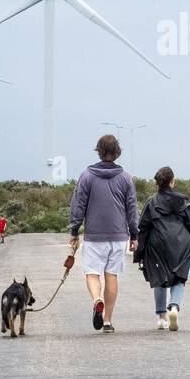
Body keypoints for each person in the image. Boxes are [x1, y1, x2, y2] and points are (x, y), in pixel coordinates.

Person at [68, 134, 138, 334]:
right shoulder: (126, 178)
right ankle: (107, 320)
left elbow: (78, 204)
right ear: (117, 152)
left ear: (99, 150)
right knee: (111, 276)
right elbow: (132, 209)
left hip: (94, 235)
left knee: (92, 274)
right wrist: (134, 235)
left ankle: (96, 299)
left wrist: (74, 230)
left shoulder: (87, 176)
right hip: (118, 236)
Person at [136, 166, 190, 332]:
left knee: (159, 277)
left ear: (158, 183)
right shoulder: (183, 201)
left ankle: (161, 317)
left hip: (157, 243)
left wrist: (140, 253)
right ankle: (174, 307)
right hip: (182, 243)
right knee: (179, 277)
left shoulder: (151, 201)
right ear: (172, 181)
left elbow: (143, 228)